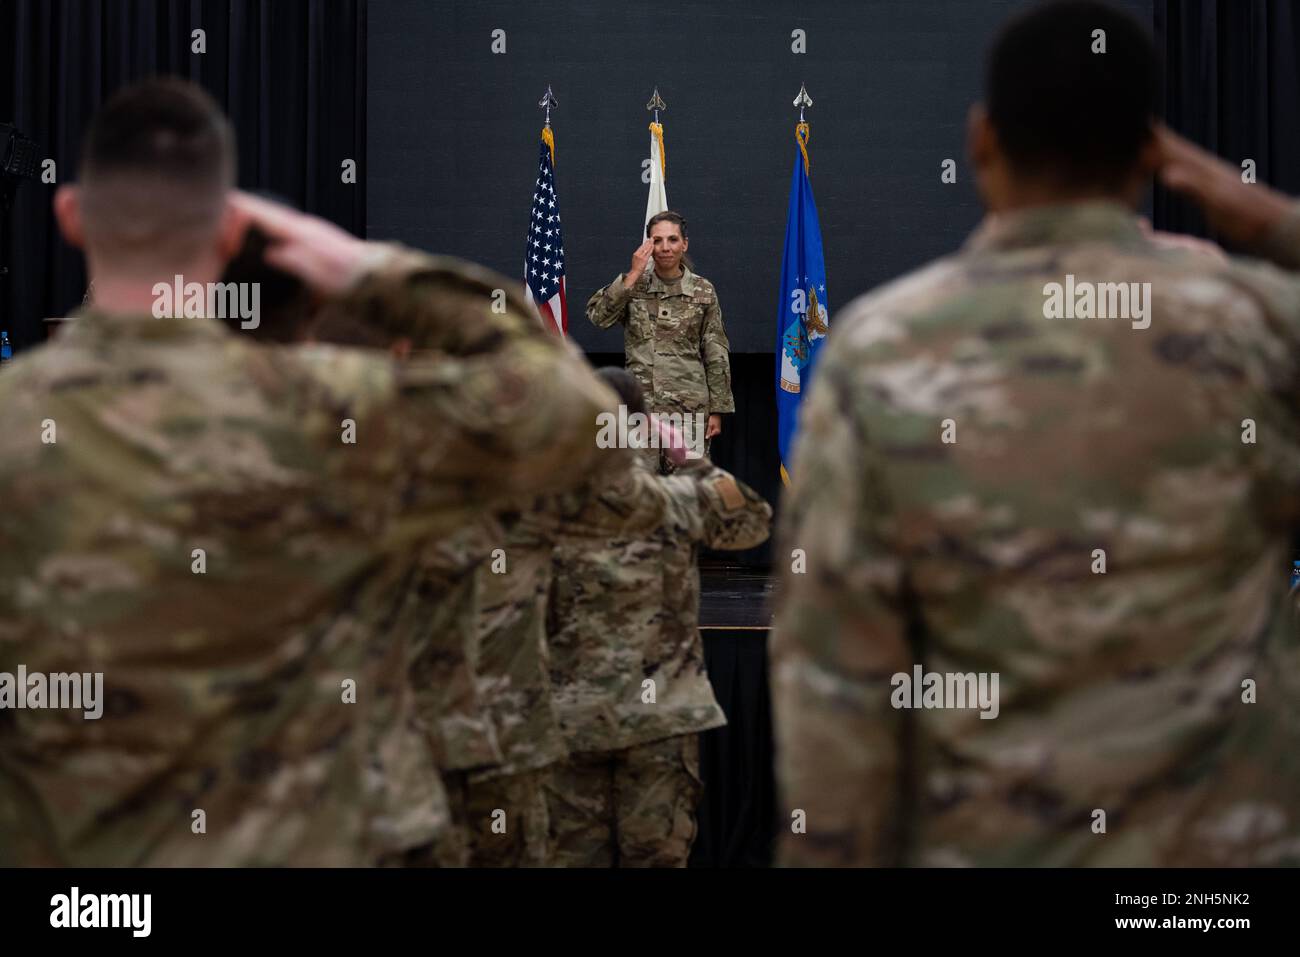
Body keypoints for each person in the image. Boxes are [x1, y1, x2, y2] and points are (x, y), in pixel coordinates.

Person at [0, 78, 624, 866]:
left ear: (70, 215)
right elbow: (572, 409)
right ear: (232, 230)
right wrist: (368, 268)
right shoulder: (331, 416)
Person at [772, 0, 1300, 867]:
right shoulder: (1254, 325)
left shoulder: (882, 349)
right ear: (1152, 153)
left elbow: (837, 678)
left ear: (982, 140)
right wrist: (1267, 217)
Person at [545, 368, 772, 866]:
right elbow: (752, 520)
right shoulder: (675, 502)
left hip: (574, 715)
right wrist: (690, 457)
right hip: (659, 720)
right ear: (641, 426)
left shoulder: (547, 512)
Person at [586, 211, 734, 470]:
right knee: (640, 489)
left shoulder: (703, 290)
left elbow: (716, 349)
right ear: (647, 245)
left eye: (673, 239)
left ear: (684, 244)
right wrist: (632, 274)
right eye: (657, 240)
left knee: (689, 489)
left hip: (689, 410)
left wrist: (718, 409)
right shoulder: (633, 285)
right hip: (640, 411)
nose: (665, 248)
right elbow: (598, 317)